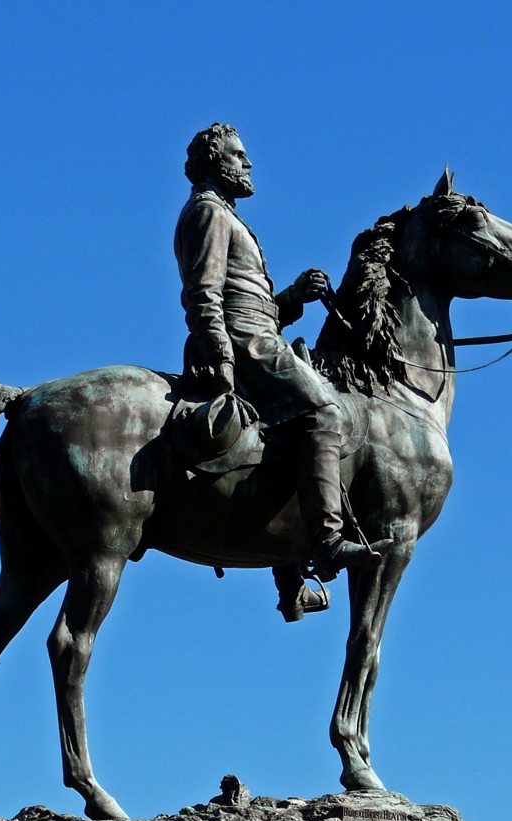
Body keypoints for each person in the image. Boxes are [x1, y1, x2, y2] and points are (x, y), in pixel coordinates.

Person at [174, 123, 392, 620]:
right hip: (248, 344)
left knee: (288, 435)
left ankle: (290, 580)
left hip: (257, 334)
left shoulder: (224, 215)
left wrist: (292, 297)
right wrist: (224, 359)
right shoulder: (208, 213)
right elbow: (204, 294)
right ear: (213, 161)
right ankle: (328, 542)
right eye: (238, 155)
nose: (248, 164)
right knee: (324, 412)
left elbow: (251, 300)